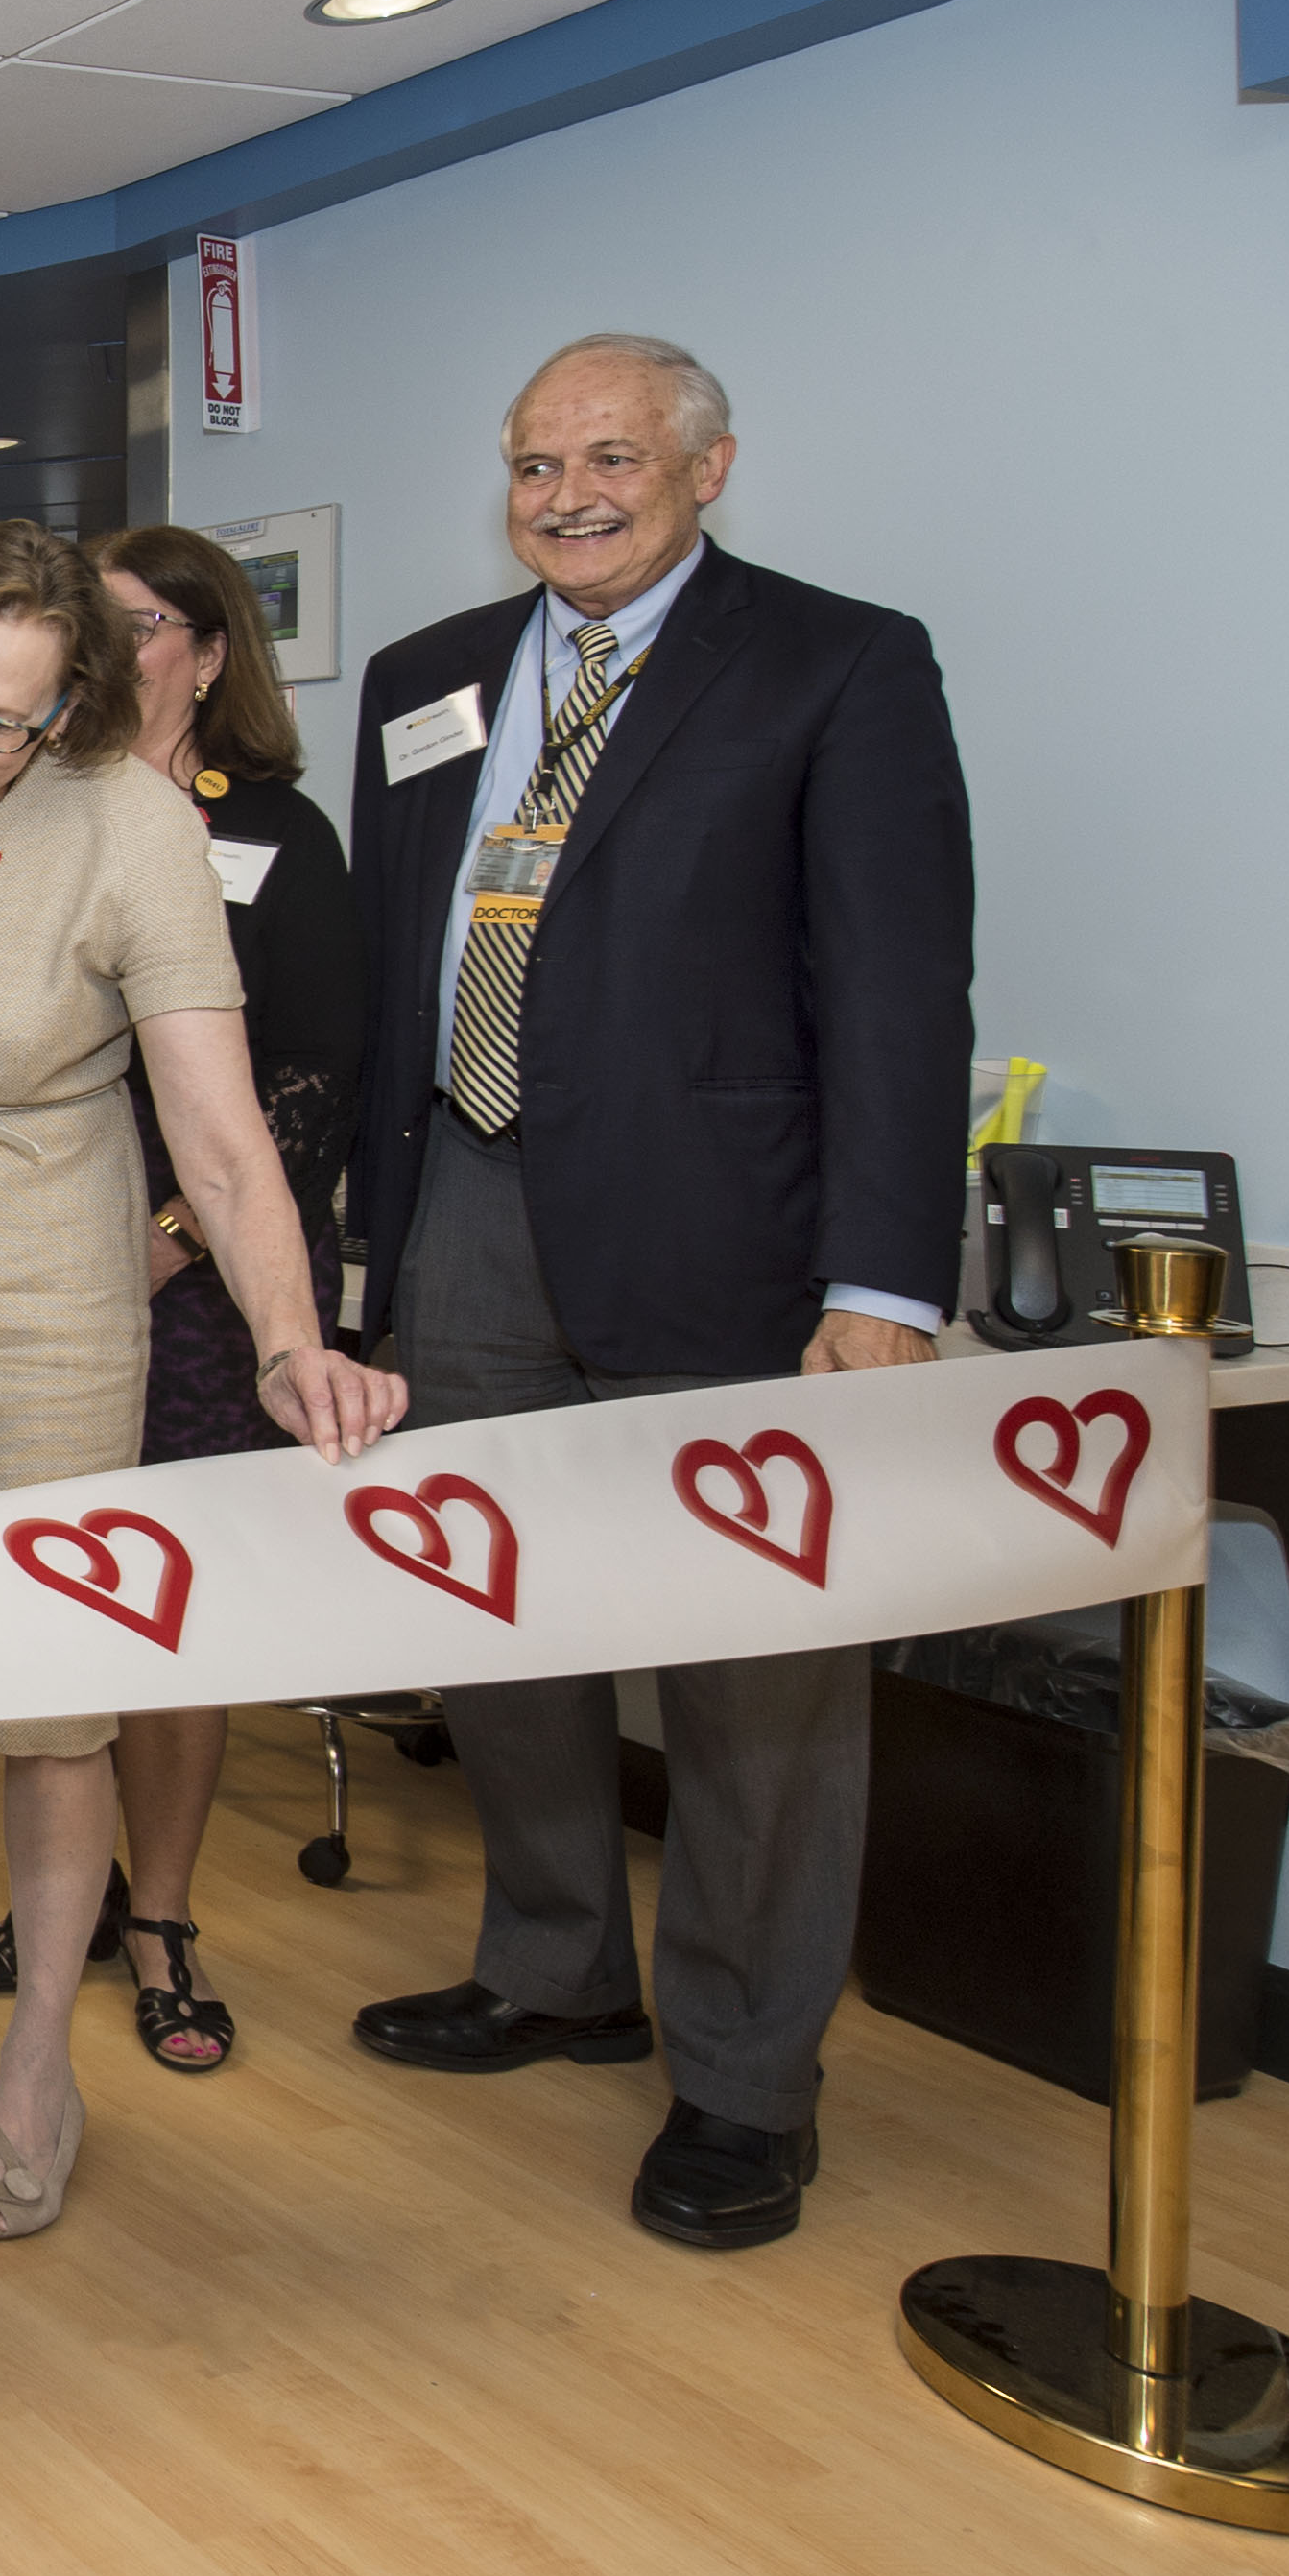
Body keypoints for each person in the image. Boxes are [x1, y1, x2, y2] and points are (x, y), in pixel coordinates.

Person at [343, 332, 971, 2251]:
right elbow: (390, 969)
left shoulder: (838, 664)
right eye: (538, 464)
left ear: (709, 467)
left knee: (756, 1670)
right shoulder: (427, 677)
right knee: (494, 1607)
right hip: (466, 1201)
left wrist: (884, 1281)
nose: (569, 497)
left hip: (731, 1239)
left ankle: (747, 2076)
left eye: (611, 458)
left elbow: (896, 990)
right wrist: (367, 1240)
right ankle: (557, 1966)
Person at [0, 522, 398, 2243]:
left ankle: (41, 2054)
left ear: (70, 715)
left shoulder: (132, 827)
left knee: (52, 1702)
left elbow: (223, 1131)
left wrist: (292, 1340)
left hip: (46, 1292)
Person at [0, 528, 367, 2067]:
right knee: (55, 1592)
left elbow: (314, 1077)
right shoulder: (35, 808)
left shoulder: (273, 831)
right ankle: (63, 1892)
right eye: (92, 624)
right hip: (39, 1264)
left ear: (207, 649)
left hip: (199, 1282)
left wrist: (176, 1236)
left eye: (136, 625)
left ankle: (164, 1915)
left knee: (171, 1603)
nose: (110, 650)